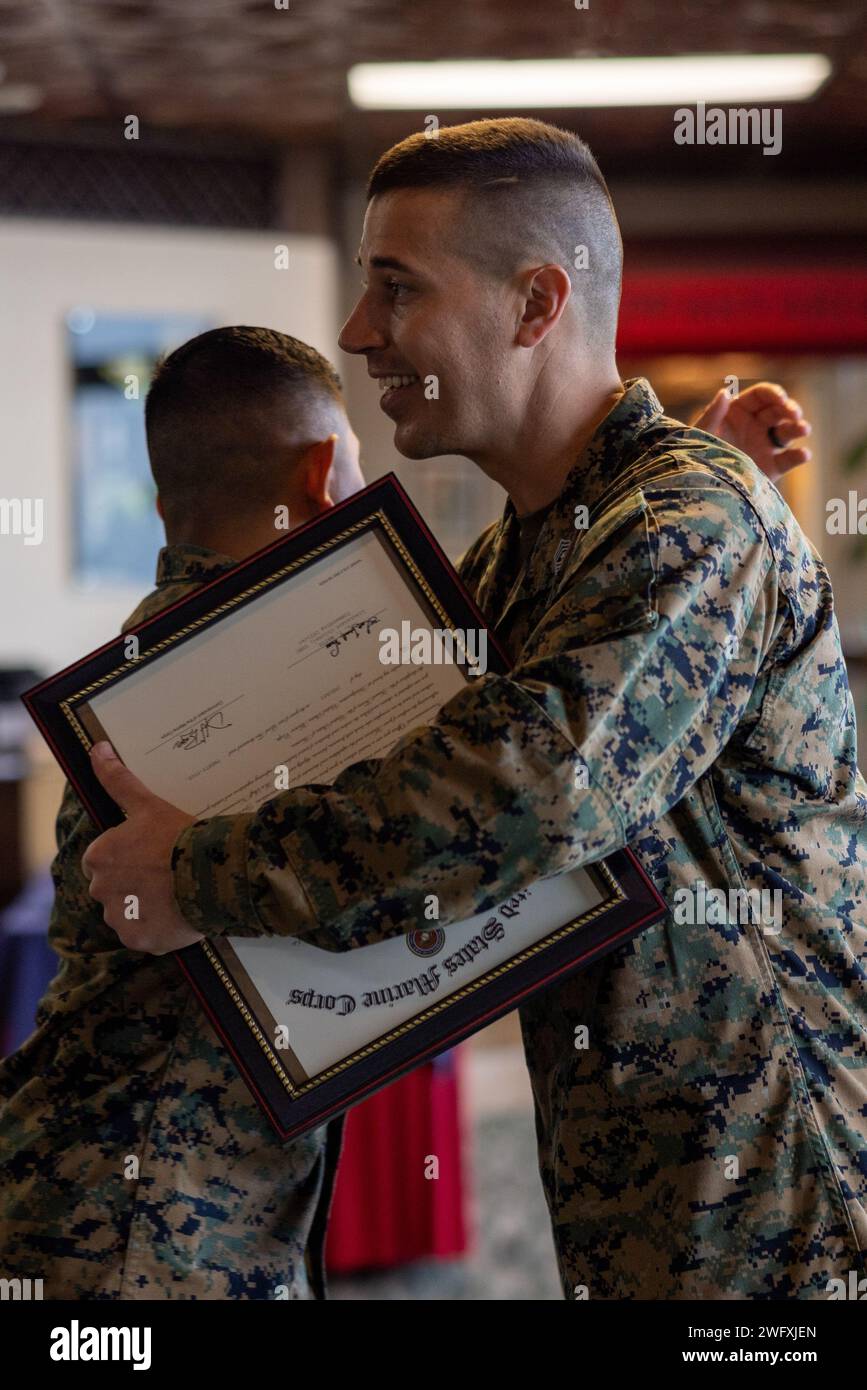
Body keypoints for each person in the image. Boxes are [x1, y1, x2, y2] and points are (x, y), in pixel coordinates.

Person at [84, 116, 865, 1302]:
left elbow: (520, 793)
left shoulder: (684, 525)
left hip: (779, 1220)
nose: (358, 334)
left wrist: (194, 874)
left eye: (396, 289)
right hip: (645, 1208)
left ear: (535, 304)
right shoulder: (542, 548)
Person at [0, 327, 364, 1299]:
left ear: (165, 506)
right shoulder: (276, 681)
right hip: (155, 1230)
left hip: (89, 1188)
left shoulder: (140, 667)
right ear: (325, 474)